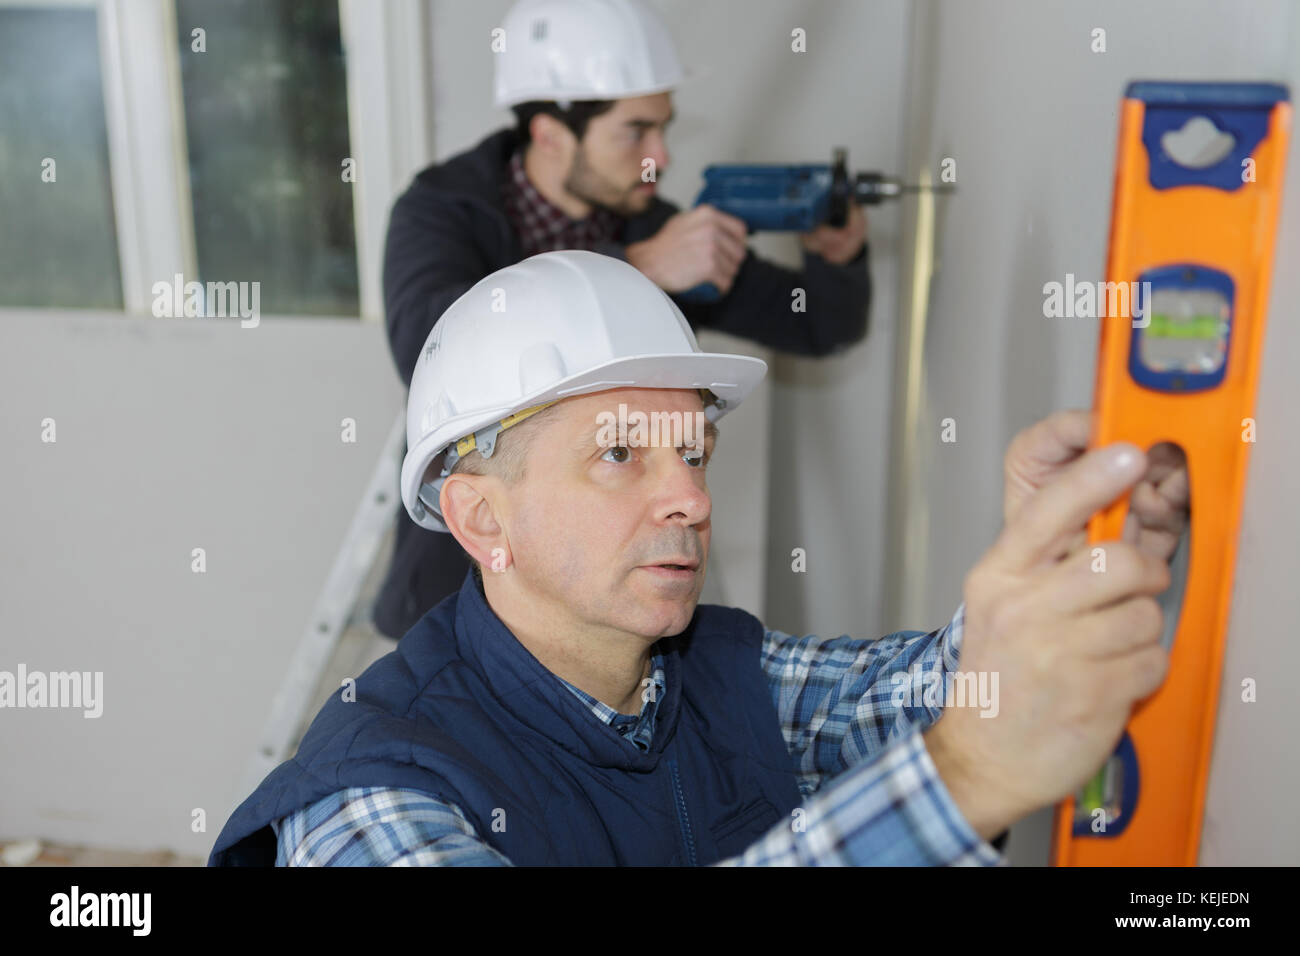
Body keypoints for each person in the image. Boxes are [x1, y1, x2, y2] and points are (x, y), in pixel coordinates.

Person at [209, 251, 1189, 866]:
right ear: (479, 518)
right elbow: (962, 744)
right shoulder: (372, 794)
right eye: (619, 453)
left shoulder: (717, 674)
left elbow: (924, 690)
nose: (689, 495)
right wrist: (962, 778)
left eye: (694, 452)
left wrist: (1061, 556)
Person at [373, 0, 872, 640]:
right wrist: (636, 267)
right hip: (461, 590)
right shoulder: (442, 209)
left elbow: (816, 325)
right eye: (635, 132)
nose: (660, 157)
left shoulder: (654, 223)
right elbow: (423, 345)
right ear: (551, 134)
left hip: (612, 604)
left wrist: (839, 261)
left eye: (664, 127)